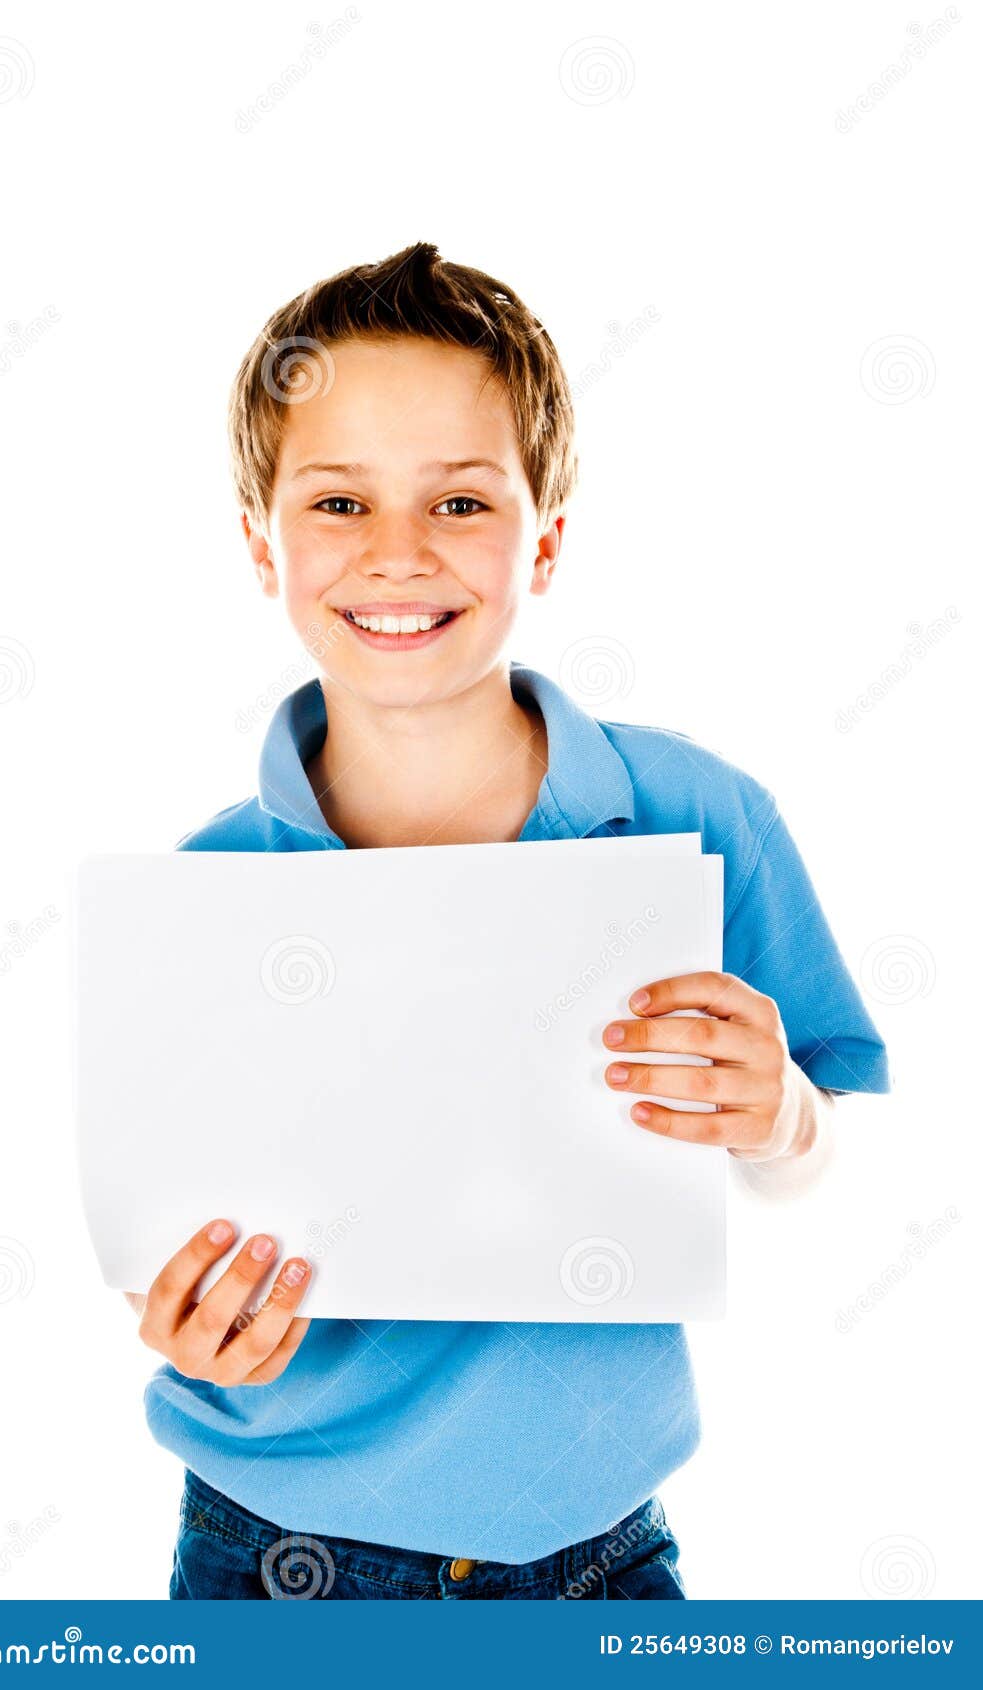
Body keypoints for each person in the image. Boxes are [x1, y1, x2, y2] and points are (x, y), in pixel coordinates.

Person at [126, 242, 889, 1600]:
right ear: (263, 545)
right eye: (341, 499)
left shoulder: (695, 816)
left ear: (545, 532)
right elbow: (160, 1236)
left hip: (597, 1560)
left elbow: (843, 1142)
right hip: (273, 1559)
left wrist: (784, 1117)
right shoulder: (206, 895)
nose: (398, 552)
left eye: (461, 498)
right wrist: (189, 1328)